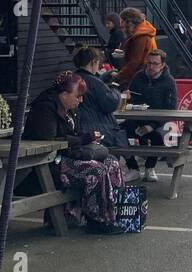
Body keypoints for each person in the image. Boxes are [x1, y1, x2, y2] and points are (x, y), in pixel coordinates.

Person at [24, 71, 124, 231]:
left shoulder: (71, 108)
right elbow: (50, 142)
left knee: (111, 162)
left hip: (68, 155)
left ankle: (116, 213)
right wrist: (84, 140)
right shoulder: (44, 108)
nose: (81, 100)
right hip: (44, 164)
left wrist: (87, 139)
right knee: (95, 170)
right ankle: (98, 219)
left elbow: (74, 135)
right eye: (78, 96)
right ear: (64, 94)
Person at [123, 50, 177, 182]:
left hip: (158, 121)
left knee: (158, 136)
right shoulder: (138, 77)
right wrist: (127, 98)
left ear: (162, 65)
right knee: (119, 134)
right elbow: (132, 100)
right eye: (149, 63)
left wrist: (152, 125)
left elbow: (170, 108)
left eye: (155, 63)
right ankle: (133, 168)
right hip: (136, 118)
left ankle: (150, 167)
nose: (151, 67)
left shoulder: (169, 81)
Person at [71, 45, 127, 149]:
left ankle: (131, 162)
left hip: (77, 128)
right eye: (98, 63)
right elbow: (111, 104)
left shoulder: (72, 78)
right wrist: (115, 90)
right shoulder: (94, 82)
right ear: (93, 62)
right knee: (122, 136)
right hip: (97, 130)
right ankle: (130, 162)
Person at [114, 6, 157, 86]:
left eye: (122, 21)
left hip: (141, 77)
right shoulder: (144, 32)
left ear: (128, 22)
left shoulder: (140, 37)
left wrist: (118, 76)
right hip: (145, 75)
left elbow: (135, 62)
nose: (120, 25)